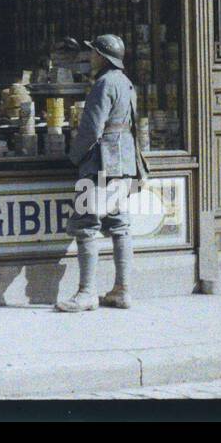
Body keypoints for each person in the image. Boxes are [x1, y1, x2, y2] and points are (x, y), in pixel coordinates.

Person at [56, 33, 146, 312]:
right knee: (119, 225)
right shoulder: (127, 83)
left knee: (86, 225)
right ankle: (122, 290)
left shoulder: (103, 84)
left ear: (102, 57)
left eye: (94, 52)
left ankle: (86, 293)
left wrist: (74, 157)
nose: (90, 56)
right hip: (123, 165)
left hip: (99, 166)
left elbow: (92, 130)